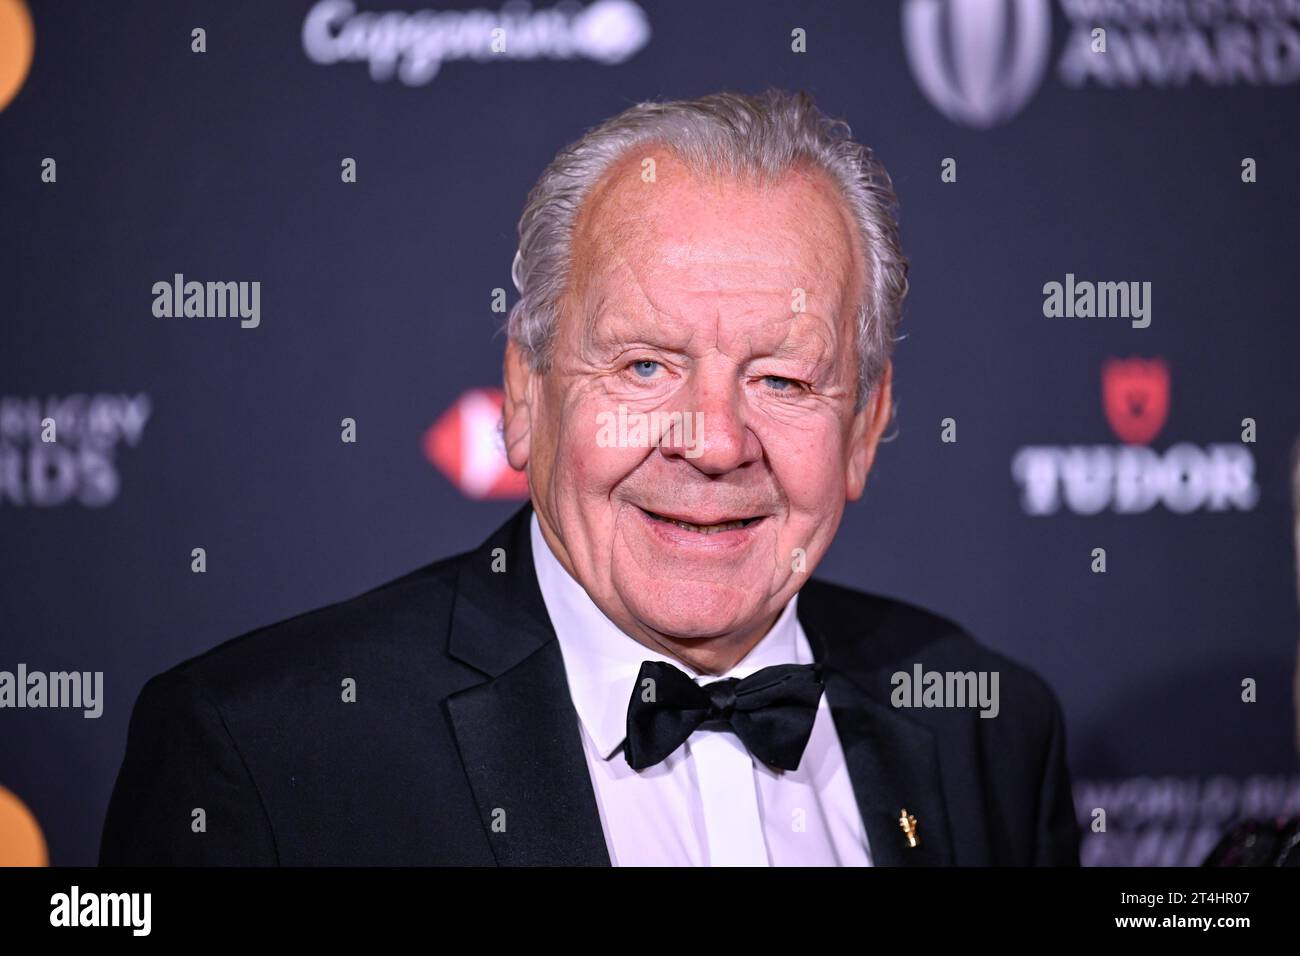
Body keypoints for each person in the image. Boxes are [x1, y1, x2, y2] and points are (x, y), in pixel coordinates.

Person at [100, 89, 1080, 866]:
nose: (714, 441)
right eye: (645, 365)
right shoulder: (267, 750)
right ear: (525, 396)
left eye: (781, 377)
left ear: (865, 424)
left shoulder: (986, 723)